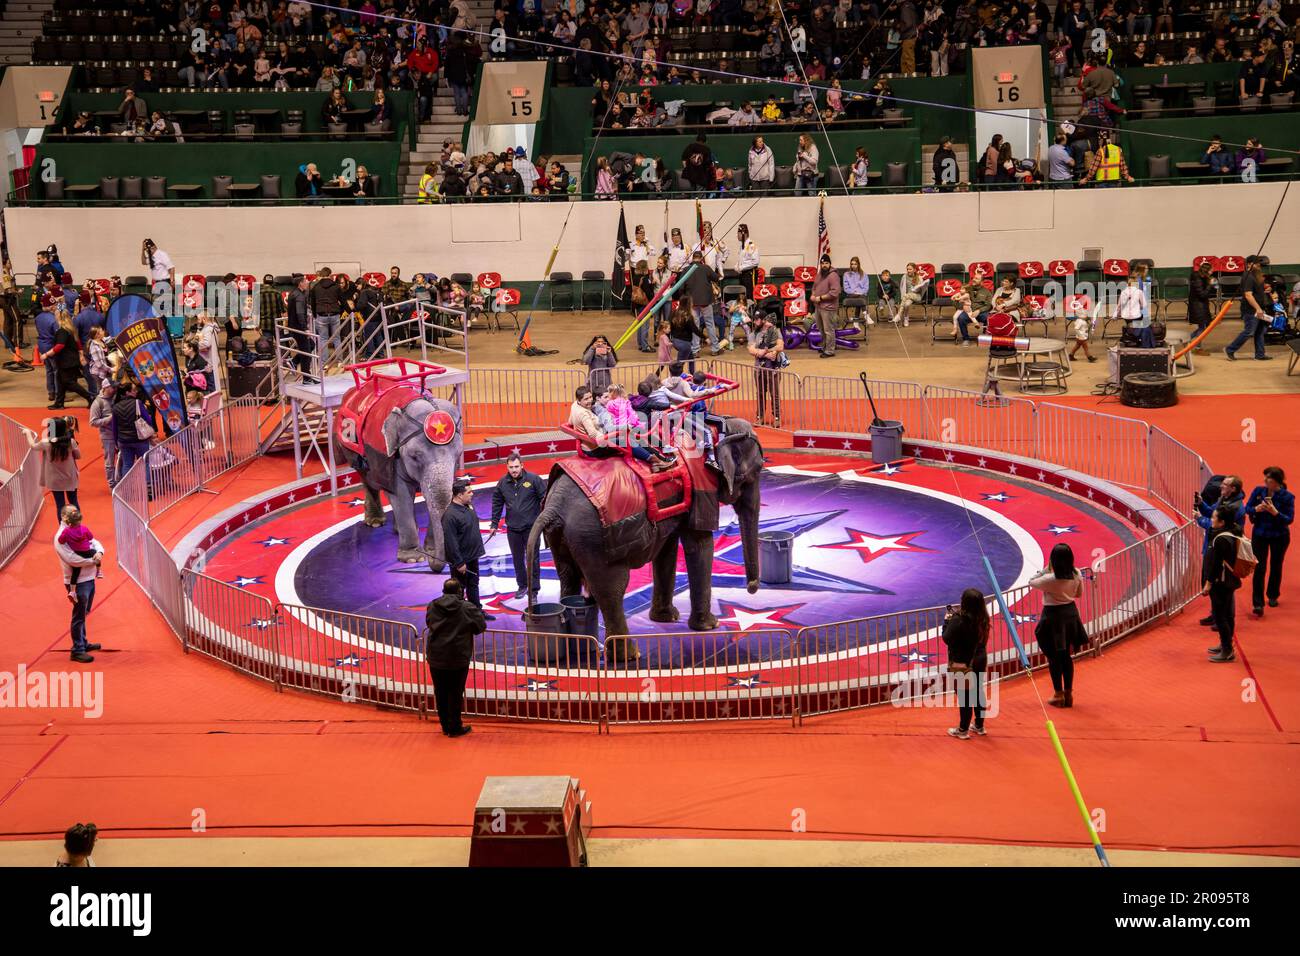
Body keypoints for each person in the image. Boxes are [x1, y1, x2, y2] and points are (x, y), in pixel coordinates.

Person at [425, 578, 485, 737]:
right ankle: (455, 726)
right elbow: (480, 627)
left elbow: (429, 622)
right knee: (455, 692)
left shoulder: (433, 605)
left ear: (443, 591)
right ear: (461, 592)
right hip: (458, 657)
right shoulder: (467, 608)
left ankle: (445, 725)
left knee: (441, 692)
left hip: (436, 656)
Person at [1030, 543, 1088, 708]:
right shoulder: (1077, 574)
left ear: (1053, 560)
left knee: (1053, 657)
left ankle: (1058, 693)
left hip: (1052, 617)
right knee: (1066, 657)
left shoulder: (1050, 578)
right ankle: (1068, 693)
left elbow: (1032, 582)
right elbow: (1079, 594)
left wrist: (1045, 569)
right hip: (1070, 615)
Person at [490, 454, 546, 601]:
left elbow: (545, 499)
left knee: (533, 559)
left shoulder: (534, 480)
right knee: (517, 559)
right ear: (506, 467)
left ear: (522, 465)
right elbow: (497, 503)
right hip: (513, 529)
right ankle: (522, 586)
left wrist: (544, 520)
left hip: (531, 528)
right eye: (511, 467)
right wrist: (494, 523)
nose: (514, 470)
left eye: (516, 466)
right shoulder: (502, 483)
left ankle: (533, 591)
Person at [54, 506, 103, 664]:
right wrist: (94, 560)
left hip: (88, 578)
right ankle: (77, 650)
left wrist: (99, 553)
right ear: (64, 517)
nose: (75, 514)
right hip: (77, 582)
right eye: (71, 513)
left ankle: (83, 642)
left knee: (84, 613)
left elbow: (93, 541)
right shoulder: (60, 537)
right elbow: (72, 559)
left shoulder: (77, 527)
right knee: (79, 616)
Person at [1244, 466, 1292, 616]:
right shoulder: (1259, 491)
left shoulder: (1287, 497)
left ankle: (1272, 595)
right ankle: (1258, 603)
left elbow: (1289, 519)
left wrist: (1275, 513)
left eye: (1268, 479)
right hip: (1260, 534)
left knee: (1276, 565)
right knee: (1259, 567)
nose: (1265, 480)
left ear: (1276, 482)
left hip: (1279, 536)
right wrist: (1255, 509)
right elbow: (1247, 508)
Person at [943, 588, 990, 739]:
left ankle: (963, 730)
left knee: (965, 696)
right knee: (977, 692)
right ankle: (979, 725)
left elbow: (947, 638)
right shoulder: (983, 618)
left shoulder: (959, 620)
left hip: (962, 662)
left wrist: (947, 621)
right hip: (980, 658)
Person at [1202, 504, 1244, 663]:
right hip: (1229, 581)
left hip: (1221, 582)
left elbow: (1216, 564)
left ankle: (1227, 650)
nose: (1211, 520)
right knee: (1227, 614)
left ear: (1222, 522)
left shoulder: (1220, 539)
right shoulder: (1234, 531)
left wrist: (1208, 583)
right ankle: (1225, 644)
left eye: (1214, 518)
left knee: (1220, 616)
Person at [442, 478, 491, 616]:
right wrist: (459, 562)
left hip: (472, 556)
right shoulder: (450, 516)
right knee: (459, 589)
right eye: (469, 492)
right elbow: (450, 542)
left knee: (473, 584)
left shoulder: (469, 506)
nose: (472, 494)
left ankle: (476, 612)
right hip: (461, 561)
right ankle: (458, 616)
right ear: (459, 495)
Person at [26, 417, 81, 512]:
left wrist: (27, 433)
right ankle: (76, 525)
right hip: (70, 476)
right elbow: (78, 456)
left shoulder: (45, 443)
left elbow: (33, 446)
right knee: (73, 501)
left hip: (55, 479)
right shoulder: (71, 442)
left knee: (60, 505)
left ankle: (62, 526)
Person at [1224, 256, 1272, 361]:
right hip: (1251, 310)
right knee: (1249, 331)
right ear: (1249, 264)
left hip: (1259, 308)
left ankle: (1260, 355)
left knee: (1260, 331)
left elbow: (1256, 292)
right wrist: (1258, 308)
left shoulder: (1256, 275)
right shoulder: (1248, 277)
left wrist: (1266, 290)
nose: (1259, 265)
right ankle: (1230, 349)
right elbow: (1248, 295)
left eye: (1259, 263)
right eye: (1256, 263)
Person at [46, 310, 92, 410]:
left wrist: (46, 354)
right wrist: (81, 355)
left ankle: (90, 397)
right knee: (60, 381)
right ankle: (59, 403)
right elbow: (78, 343)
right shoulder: (71, 329)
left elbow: (60, 345)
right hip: (70, 360)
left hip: (66, 361)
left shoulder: (62, 331)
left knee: (69, 383)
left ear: (59, 317)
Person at [747, 309, 785, 428]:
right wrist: (764, 353)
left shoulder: (775, 331)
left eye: (757, 319)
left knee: (775, 393)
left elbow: (780, 345)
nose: (755, 321)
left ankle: (777, 416)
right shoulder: (753, 334)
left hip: (773, 367)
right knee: (760, 393)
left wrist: (770, 351)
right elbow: (751, 349)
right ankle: (760, 417)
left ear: (763, 320)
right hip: (759, 367)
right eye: (754, 319)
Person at [58, 508, 104, 580]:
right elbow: (91, 538)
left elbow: (61, 541)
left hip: (76, 552)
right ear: (80, 520)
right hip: (87, 551)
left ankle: (72, 590)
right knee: (96, 554)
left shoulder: (66, 531)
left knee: (76, 571)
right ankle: (98, 571)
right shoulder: (84, 528)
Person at [88, 380, 119, 487]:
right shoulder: (98, 403)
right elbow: (93, 422)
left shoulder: (116, 397)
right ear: (105, 387)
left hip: (120, 434)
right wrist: (110, 418)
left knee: (122, 459)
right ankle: (112, 484)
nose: (115, 389)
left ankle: (120, 480)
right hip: (107, 436)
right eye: (112, 387)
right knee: (110, 461)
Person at [810, 255, 842, 357]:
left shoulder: (833, 276)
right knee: (821, 329)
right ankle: (825, 347)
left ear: (830, 264)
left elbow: (835, 292)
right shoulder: (819, 274)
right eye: (823, 263)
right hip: (819, 307)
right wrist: (813, 295)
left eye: (826, 263)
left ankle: (830, 351)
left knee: (829, 330)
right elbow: (814, 287)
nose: (824, 265)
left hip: (828, 308)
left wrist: (821, 298)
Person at [1114, 274, 1153, 348]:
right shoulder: (1139, 292)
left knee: (1131, 325)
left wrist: (1115, 316)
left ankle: (1131, 336)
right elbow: (1144, 306)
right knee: (1145, 323)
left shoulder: (1123, 292)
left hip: (1125, 317)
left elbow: (1119, 306)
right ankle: (1140, 339)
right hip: (1136, 316)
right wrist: (1140, 308)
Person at [1188, 260, 1216, 347]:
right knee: (1202, 328)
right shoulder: (1197, 279)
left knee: (1205, 327)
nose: (1213, 271)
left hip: (1202, 306)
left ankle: (1188, 338)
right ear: (1207, 271)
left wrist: (1213, 284)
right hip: (1197, 307)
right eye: (1211, 270)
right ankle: (1197, 347)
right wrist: (1209, 285)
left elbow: (1215, 288)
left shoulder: (1204, 277)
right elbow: (1202, 294)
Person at [892, 262, 929, 327]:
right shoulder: (904, 276)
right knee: (906, 304)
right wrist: (903, 295)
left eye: (910, 269)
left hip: (917, 296)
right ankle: (906, 318)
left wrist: (916, 289)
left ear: (914, 270)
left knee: (906, 295)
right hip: (908, 297)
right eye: (907, 269)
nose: (908, 271)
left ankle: (899, 315)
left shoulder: (919, 277)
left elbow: (922, 289)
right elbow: (901, 287)